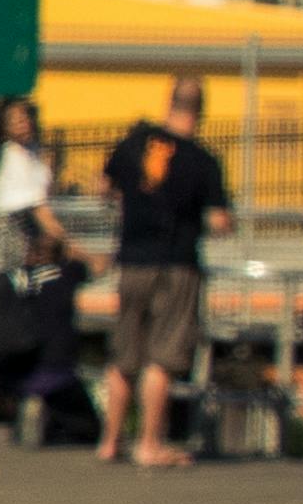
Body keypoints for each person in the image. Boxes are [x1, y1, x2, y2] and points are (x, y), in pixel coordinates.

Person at [96, 74, 235, 473]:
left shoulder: (135, 143)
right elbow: (219, 219)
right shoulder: (202, 160)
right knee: (162, 355)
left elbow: (103, 186)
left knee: (124, 353)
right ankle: (149, 443)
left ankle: (109, 441)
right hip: (176, 262)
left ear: (168, 102)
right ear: (201, 110)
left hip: (132, 258)